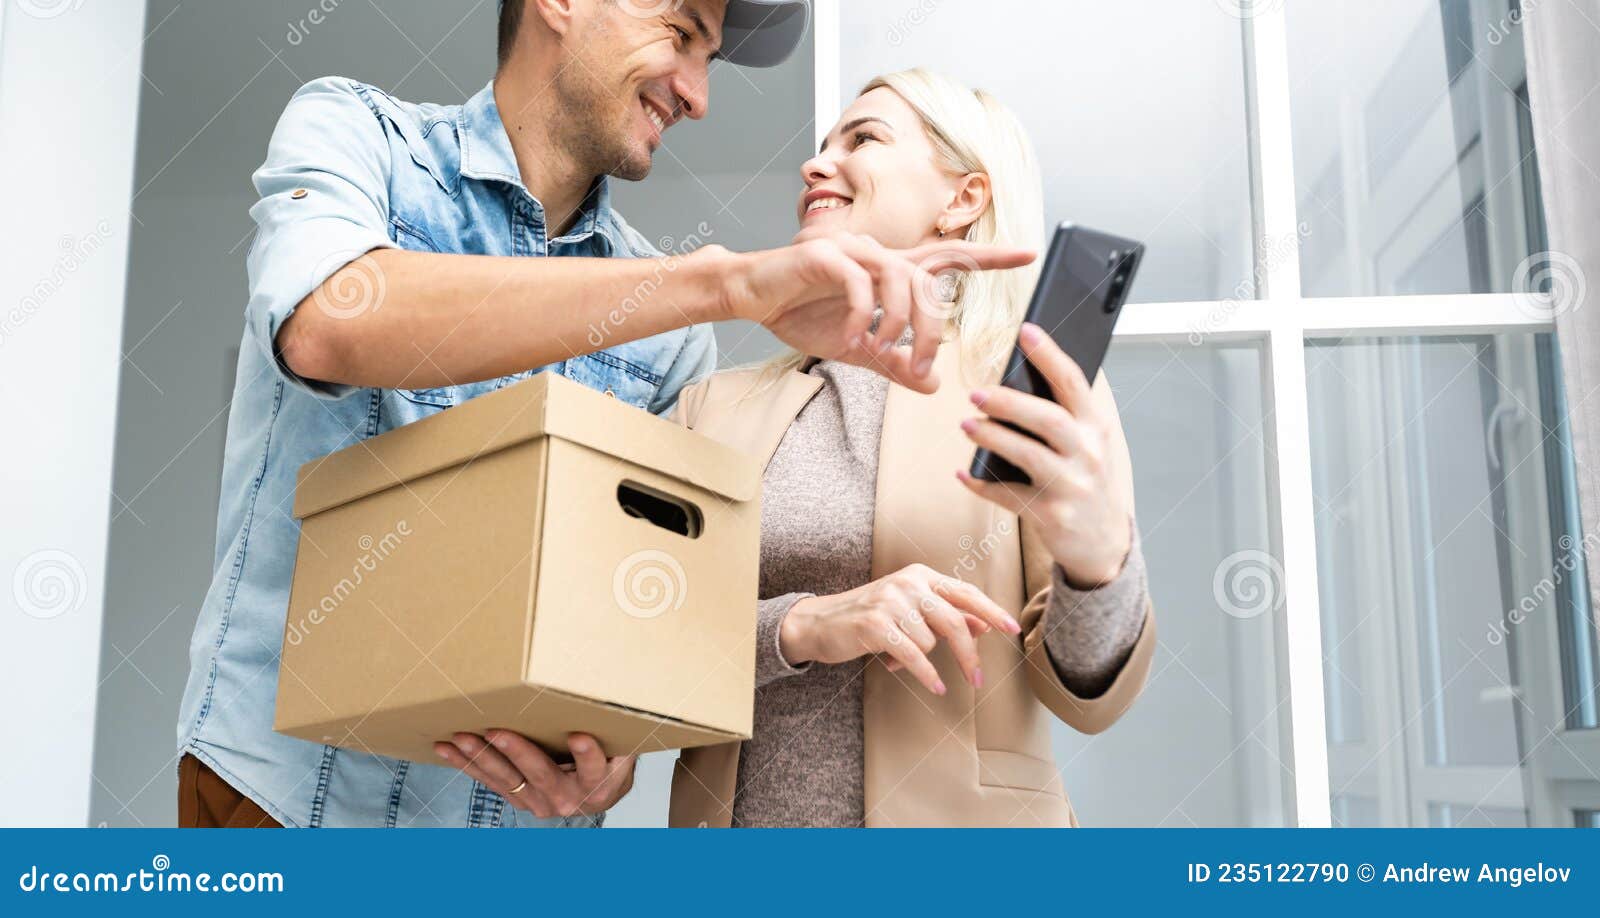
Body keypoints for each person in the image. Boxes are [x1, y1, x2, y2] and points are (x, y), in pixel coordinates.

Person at [176, 1, 1030, 829]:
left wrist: (613, 751)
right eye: (682, 33)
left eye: (710, 56)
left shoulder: (673, 345)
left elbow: (634, 628)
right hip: (285, 810)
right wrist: (720, 285)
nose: (698, 93)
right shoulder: (359, 136)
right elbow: (331, 324)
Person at [440, 68, 1156, 827]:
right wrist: (801, 626)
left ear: (963, 199)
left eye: (864, 139)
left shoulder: (1028, 389)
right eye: (820, 146)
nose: (816, 164)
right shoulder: (711, 406)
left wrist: (1100, 563)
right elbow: (640, 645)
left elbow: (1089, 695)